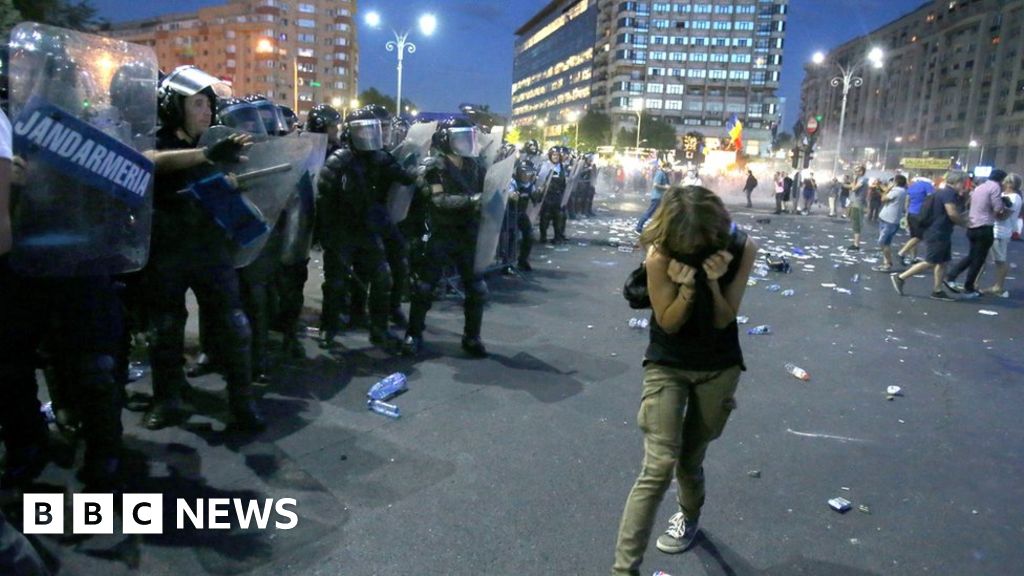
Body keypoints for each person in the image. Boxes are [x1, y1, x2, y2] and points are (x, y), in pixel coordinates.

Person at [611, 185, 756, 576]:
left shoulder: (742, 248)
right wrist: (688, 287)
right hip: (668, 364)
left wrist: (710, 282)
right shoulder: (659, 253)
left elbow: (725, 318)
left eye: (702, 243)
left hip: (719, 366)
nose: (694, 250)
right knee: (658, 465)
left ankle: (688, 516)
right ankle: (624, 571)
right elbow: (670, 322)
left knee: (689, 461)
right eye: (686, 244)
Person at [143, 66, 264, 432]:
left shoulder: (218, 142)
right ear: (173, 105)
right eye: (197, 103)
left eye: (209, 104)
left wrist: (232, 182)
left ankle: (241, 401)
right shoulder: (160, 138)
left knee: (234, 324)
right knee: (164, 328)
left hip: (211, 247)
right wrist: (205, 156)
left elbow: (236, 179)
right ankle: (167, 399)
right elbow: (148, 161)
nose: (206, 111)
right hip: (168, 248)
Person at [316, 107, 414, 350]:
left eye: (374, 132)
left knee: (382, 280)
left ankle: (378, 330)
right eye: (364, 132)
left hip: (367, 231)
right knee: (336, 283)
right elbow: (323, 200)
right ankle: (328, 327)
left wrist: (419, 171)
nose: (370, 137)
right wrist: (326, 236)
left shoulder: (380, 158)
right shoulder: (339, 161)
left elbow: (404, 177)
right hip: (342, 231)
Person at [402, 118, 490, 358]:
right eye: (461, 137)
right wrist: (472, 201)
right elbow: (439, 201)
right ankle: (414, 333)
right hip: (441, 233)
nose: (466, 142)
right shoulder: (433, 167)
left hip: (467, 234)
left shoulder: (475, 166)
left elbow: (489, 189)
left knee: (476, 288)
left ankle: (472, 337)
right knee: (424, 287)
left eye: (468, 137)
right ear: (446, 140)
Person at [891, 171, 968, 301]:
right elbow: (952, 213)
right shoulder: (948, 193)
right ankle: (900, 277)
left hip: (939, 231)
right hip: (938, 232)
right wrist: (965, 223)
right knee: (930, 261)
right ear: (957, 182)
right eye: (963, 183)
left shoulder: (941, 192)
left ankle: (937, 290)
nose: (964, 186)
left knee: (942, 262)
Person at [943, 169, 1009, 298]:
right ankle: (969, 286)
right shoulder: (995, 187)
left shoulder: (981, 186)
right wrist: (1004, 204)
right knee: (978, 260)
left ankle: (952, 275)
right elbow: (997, 209)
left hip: (972, 225)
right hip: (985, 226)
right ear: (1001, 179)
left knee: (972, 255)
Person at [982, 173, 1023, 297]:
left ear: (1011, 184)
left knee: (1000, 260)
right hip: (994, 230)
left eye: (1005, 181)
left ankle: (998, 287)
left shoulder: (1014, 197)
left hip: (1000, 232)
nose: (1002, 183)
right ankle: (978, 284)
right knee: (988, 258)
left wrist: (991, 211)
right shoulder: (1004, 194)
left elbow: (1003, 216)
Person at [896, 175, 935, 265]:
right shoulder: (928, 185)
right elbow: (931, 199)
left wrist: (906, 213)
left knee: (913, 236)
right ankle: (901, 253)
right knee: (918, 237)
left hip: (911, 213)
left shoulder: (913, 186)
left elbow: (907, 200)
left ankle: (913, 257)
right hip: (920, 214)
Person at [510, 158, 540, 271]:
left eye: (529, 172)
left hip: (521, 213)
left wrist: (538, 193)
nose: (525, 175)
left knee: (529, 235)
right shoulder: (512, 182)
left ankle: (523, 260)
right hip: (510, 213)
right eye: (523, 171)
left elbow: (535, 200)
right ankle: (507, 262)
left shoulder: (530, 185)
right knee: (510, 237)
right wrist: (511, 195)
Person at [875, 174, 908, 271]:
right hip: (888, 218)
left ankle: (888, 263)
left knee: (882, 242)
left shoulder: (896, 191)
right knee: (886, 243)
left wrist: (888, 189)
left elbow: (883, 198)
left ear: (896, 182)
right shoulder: (902, 191)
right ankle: (886, 263)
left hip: (890, 220)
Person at [538, 146, 569, 243]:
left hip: (558, 195)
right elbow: (541, 180)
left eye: (557, 155)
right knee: (545, 216)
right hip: (547, 196)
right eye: (554, 155)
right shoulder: (546, 166)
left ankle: (558, 236)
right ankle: (543, 237)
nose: (555, 157)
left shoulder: (561, 167)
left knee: (558, 216)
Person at [635, 160, 671, 233]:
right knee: (649, 212)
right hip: (657, 197)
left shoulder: (664, 174)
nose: (670, 170)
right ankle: (639, 227)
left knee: (661, 213)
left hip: (661, 197)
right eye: (669, 168)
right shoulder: (660, 173)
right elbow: (655, 184)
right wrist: (665, 187)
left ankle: (659, 230)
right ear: (665, 167)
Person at [845, 166, 869, 250]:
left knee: (856, 224)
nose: (855, 172)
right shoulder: (860, 179)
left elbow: (854, 188)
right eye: (855, 170)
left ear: (861, 172)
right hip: (854, 203)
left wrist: (854, 180)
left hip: (857, 204)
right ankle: (855, 243)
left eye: (857, 171)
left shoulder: (863, 179)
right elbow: (851, 187)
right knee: (854, 223)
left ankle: (856, 244)